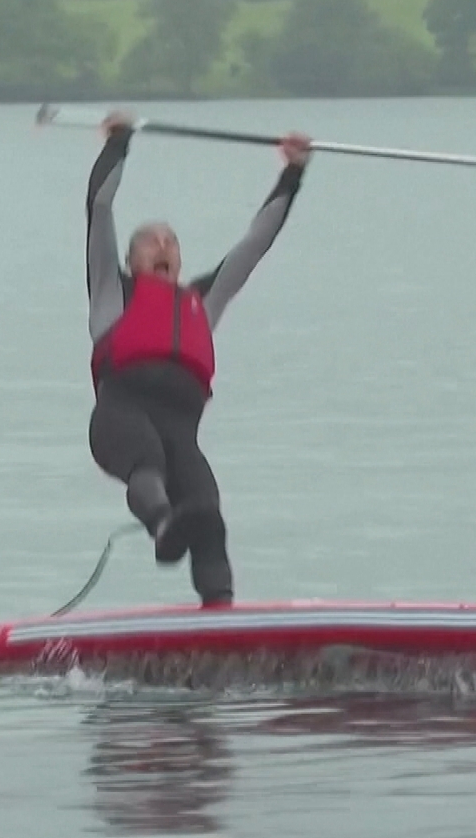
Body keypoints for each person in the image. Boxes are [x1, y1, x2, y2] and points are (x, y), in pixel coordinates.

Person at [83, 110, 312, 608]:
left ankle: (222, 612)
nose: (163, 244)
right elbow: (100, 208)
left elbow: (255, 243)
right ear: (130, 260)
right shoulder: (111, 290)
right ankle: (163, 525)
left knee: (207, 509)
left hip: (180, 428)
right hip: (121, 416)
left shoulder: (202, 302)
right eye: (150, 242)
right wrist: (118, 143)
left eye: (171, 241)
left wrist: (293, 172)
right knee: (148, 461)